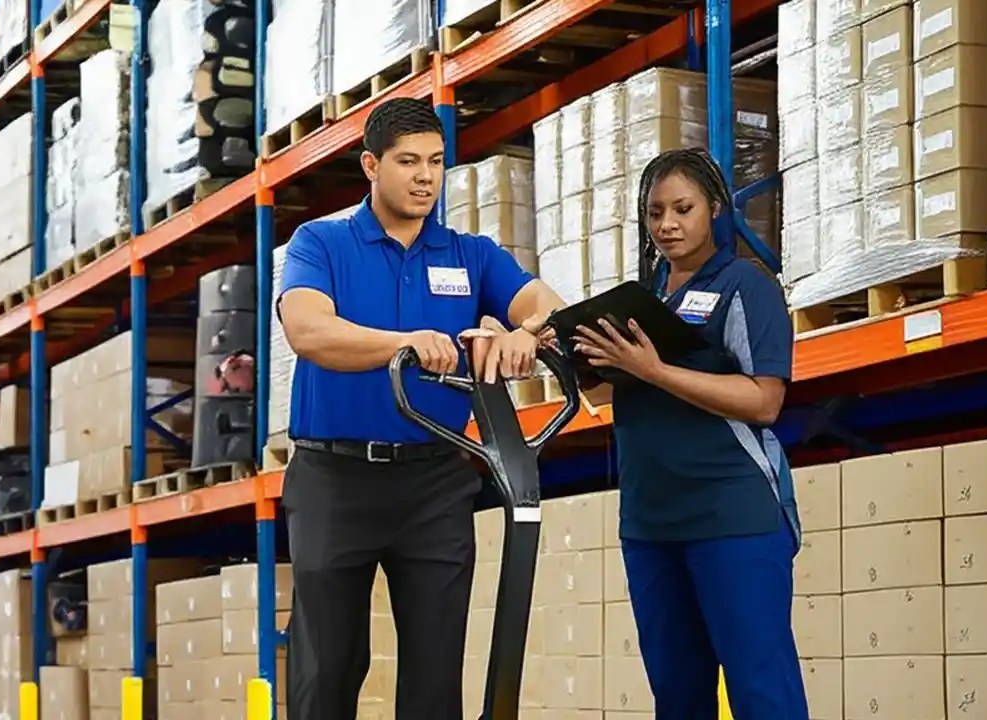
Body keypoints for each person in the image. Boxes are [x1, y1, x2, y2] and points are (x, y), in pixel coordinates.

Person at [275, 97, 567, 718]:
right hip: (336, 480)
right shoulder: (320, 243)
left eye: (435, 162)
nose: (425, 176)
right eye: (408, 161)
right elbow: (309, 331)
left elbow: (547, 304)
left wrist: (526, 333)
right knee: (326, 671)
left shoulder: (470, 254)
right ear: (370, 165)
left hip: (435, 482)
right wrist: (403, 345)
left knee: (436, 680)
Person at [570, 147, 807, 719]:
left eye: (683, 209)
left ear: (716, 209)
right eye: (655, 213)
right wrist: (580, 358)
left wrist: (653, 370)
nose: (668, 225)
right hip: (651, 524)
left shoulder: (744, 286)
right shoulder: (644, 303)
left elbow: (766, 400)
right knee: (677, 696)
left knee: (760, 688)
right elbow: (603, 397)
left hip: (733, 517)